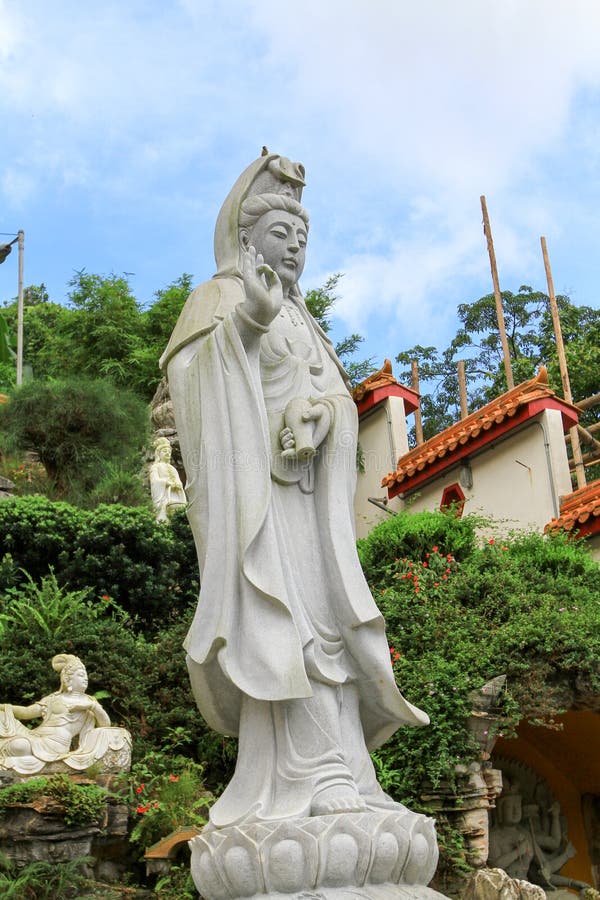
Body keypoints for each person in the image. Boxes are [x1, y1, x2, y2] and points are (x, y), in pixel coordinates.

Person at [162, 153, 429, 829]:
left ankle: (352, 771)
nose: (294, 248)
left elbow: (335, 398)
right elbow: (194, 383)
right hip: (260, 508)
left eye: (301, 238)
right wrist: (248, 322)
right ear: (247, 238)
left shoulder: (306, 319)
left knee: (330, 631)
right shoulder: (218, 298)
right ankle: (308, 773)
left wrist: (323, 418)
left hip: (309, 505)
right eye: (280, 233)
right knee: (285, 628)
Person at [0, 654, 131, 775]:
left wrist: (91, 707)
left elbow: (105, 724)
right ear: (67, 679)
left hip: (55, 745)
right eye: (81, 675)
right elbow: (26, 712)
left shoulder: (89, 701)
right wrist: (3, 707)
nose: (85, 678)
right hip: (36, 736)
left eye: (86, 675)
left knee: (18, 746)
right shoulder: (53, 699)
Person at [149, 436, 186, 522]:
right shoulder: (156, 467)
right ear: (158, 454)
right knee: (164, 517)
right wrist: (166, 482)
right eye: (164, 451)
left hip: (175, 495)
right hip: (164, 495)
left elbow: (178, 481)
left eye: (169, 452)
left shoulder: (173, 468)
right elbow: (154, 481)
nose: (167, 453)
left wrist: (178, 484)